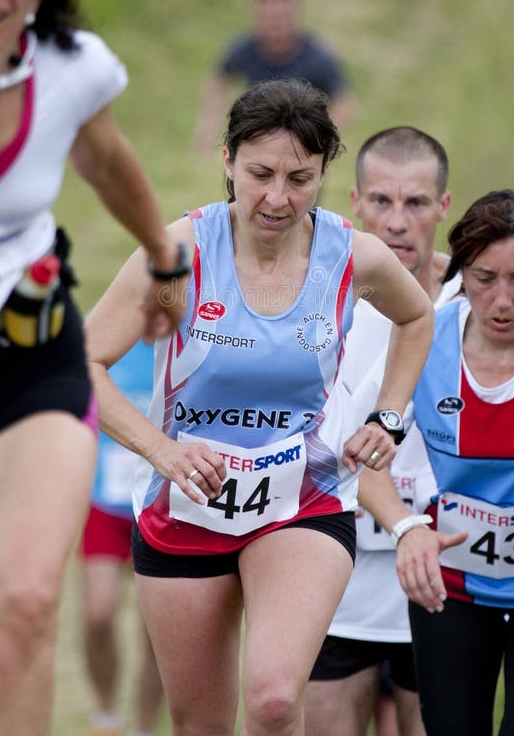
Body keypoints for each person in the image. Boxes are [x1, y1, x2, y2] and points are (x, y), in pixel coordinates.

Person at [85, 78, 434, 736]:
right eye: (260, 173)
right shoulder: (178, 254)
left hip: (303, 496)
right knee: (204, 724)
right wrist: (162, 450)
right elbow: (83, 363)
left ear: (324, 171)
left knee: (274, 701)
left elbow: (417, 317)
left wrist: (387, 415)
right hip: (184, 501)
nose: (278, 198)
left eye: (300, 178)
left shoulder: (351, 255)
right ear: (226, 161)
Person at [0, 0, 189, 736]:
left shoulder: (69, 68)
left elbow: (104, 161)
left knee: (22, 605)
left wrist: (164, 257)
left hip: (31, 362)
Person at [361, 189, 514, 736]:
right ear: (459, 273)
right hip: (450, 587)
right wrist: (406, 529)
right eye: (483, 278)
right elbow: (364, 458)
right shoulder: (423, 335)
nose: (502, 301)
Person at [305, 126, 458, 736]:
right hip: (335, 579)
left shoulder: (480, 303)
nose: (398, 222)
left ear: (443, 207)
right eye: (382, 203)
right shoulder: (315, 304)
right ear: (355, 202)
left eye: (416, 203)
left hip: (440, 581)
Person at [80, 339, 164, 736]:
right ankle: (107, 715)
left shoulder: (191, 337)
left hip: (160, 503)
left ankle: (144, 728)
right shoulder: (104, 336)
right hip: (104, 501)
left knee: (158, 630)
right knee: (98, 613)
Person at [191, 0, 356, 153]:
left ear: (296, 15)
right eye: (269, 17)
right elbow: (218, 79)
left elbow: (344, 102)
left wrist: (320, 139)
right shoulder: (244, 49)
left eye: (282, 16)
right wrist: (208, 126)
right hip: (256, 139)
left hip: (300, 144)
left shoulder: (318, 56)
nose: (276, 23)